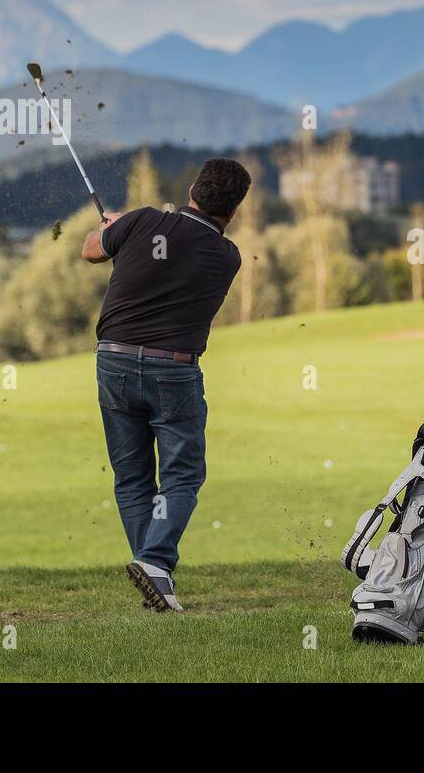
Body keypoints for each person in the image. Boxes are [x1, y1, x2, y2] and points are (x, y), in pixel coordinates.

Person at [80, 158, 249, 611]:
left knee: (133, 477)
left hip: (112, 362)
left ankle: (153, 571)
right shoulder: (227, 255)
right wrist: (126, 231)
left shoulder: (143, 220)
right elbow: (178, 257)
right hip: (173, 371)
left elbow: (91, 250)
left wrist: (115, 229)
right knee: (182, 476)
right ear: (232, 212)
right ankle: (154, 564)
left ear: (192, 187)